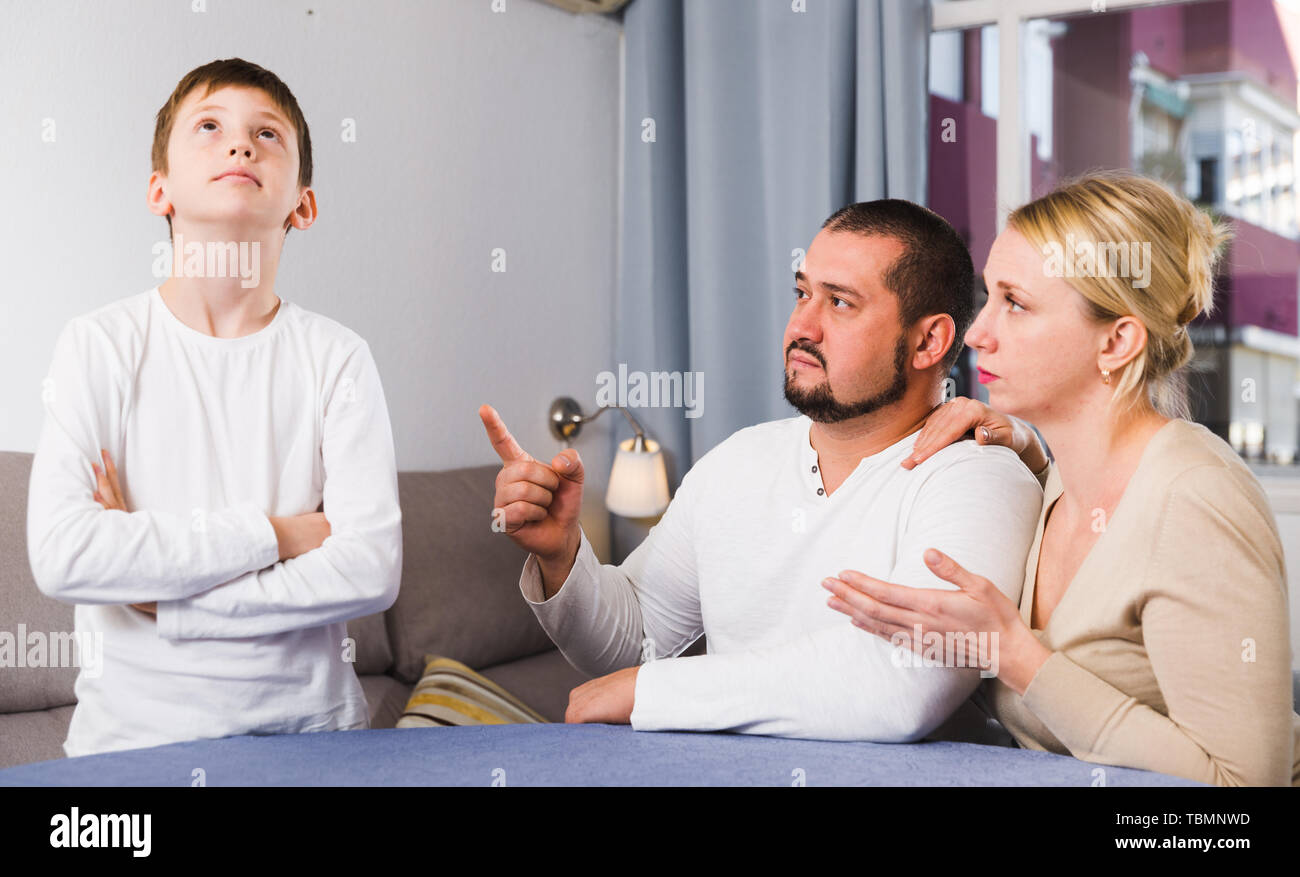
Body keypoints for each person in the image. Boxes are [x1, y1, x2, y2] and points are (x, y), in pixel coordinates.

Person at [478, 200, 1044, 741]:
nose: (803, 325)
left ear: (929, 341)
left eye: (840, 303)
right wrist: (561, 557)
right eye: (802, 293)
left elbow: (904, 684)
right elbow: (636, 642)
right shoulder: (738, 461)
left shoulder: (978, 478)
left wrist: (656, 691)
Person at [824, 170, 1300, 786]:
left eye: (1015, 304)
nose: (975, 334)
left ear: (1117, 342)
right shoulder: (1057, 482)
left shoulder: (1197, 500)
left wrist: (1016, 657)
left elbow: (1243, 794)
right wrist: (1027, 448)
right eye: (988, 296)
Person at [26, 58, 403, 757]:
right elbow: (63, 553)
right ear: (158, 189)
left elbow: (371, 566)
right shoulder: (97, 346)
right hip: (130, 749)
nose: (240, 146)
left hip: (315, 740)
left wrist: (168, 602)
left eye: (268, 134)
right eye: (210, 127)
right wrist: (279, 534)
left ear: (304, 204)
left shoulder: (339, 357)